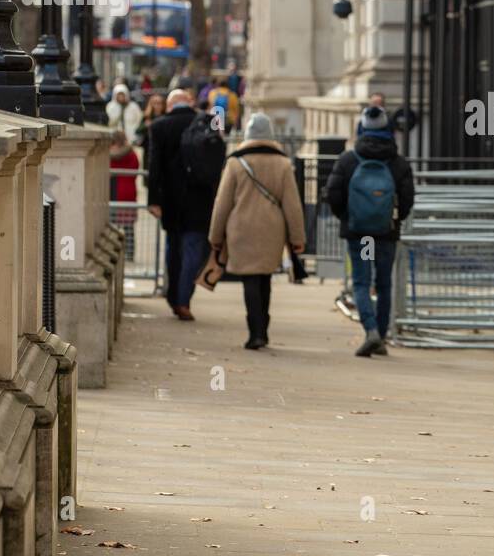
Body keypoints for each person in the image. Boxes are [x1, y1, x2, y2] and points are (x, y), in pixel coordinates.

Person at [209, 114, 306, 350]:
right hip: (272, 230)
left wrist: (215, 235)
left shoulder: (235, 163)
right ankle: (264, 325)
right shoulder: (283, 163)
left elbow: (223, 203)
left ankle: (255, 331)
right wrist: (297, 238)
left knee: (249, 279)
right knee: (265, 277)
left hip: (241, 229)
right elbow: (292, 204)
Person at [325, 104, 415, 357]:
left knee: (362, 282)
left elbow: (333, 193)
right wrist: (395, 221)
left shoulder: (349, 159)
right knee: (384, 283)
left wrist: (348, 218)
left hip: (362, 234)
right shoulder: (397, 163)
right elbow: (407, 198)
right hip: (386, 234)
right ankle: (382, 335)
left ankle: (371, 330)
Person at [146, 89, 224, 321]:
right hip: (200, 198)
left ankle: (173, 296)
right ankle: (183, 298)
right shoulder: (208, 122)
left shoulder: (159, 126)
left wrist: (153, 200)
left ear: (170, 105)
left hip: (171, 198)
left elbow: (154, 166)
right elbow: (218, 159)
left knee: (174, 247)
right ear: (189, 102)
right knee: (193, 248)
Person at [109, 130, 140, 261]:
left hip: (114, 190)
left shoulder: (109, 154)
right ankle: (130, 253)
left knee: (113, 225)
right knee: (128, 225)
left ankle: (113, 252)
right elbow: (136, 167)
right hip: (128, 191)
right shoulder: (132, 154)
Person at [134, 93, 167, 171]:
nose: (157, 106)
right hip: (149, 147)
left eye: (159, 103)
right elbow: (137, 130)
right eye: (155, 103)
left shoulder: (166, 116)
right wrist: (145, 126)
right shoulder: (147, 117)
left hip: (163, 147)